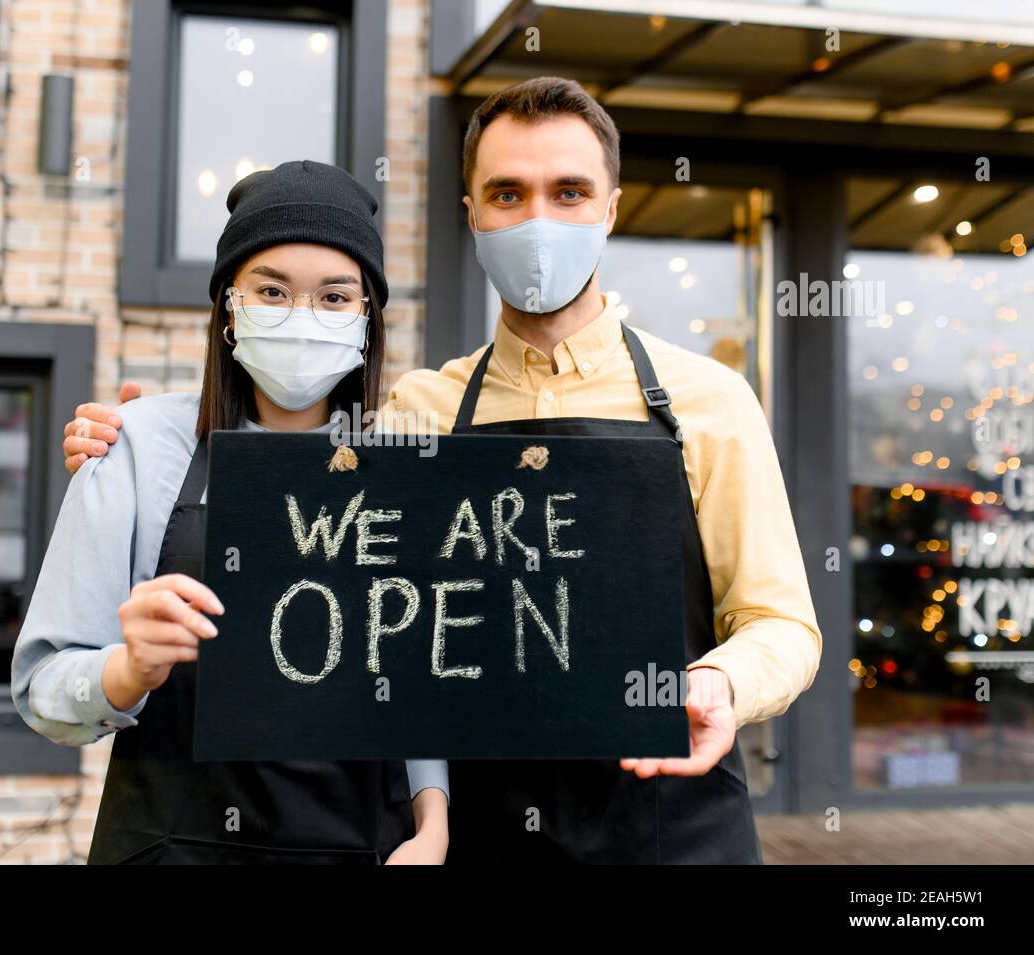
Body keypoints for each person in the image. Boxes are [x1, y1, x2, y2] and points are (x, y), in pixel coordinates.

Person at [60, 78, 822, 864]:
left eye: (568, 192)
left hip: (674, 826)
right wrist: (141, 436)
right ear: (472, 215)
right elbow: (306, 521)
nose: (537, 220)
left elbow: (783, 625)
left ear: (611, 209)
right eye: (507, 193)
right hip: (485, 835)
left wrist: (719, 684)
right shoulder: (417, 409)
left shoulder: (710, 401)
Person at [12, 160, 449, 865]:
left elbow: (418, 687)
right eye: (272, 290)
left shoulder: (404, 468)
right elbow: (42, 689)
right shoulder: (136, 444)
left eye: (335, 298)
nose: (303, 316)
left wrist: (434, 827)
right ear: (229, 306)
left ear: (367, 319)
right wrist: (128, 670)